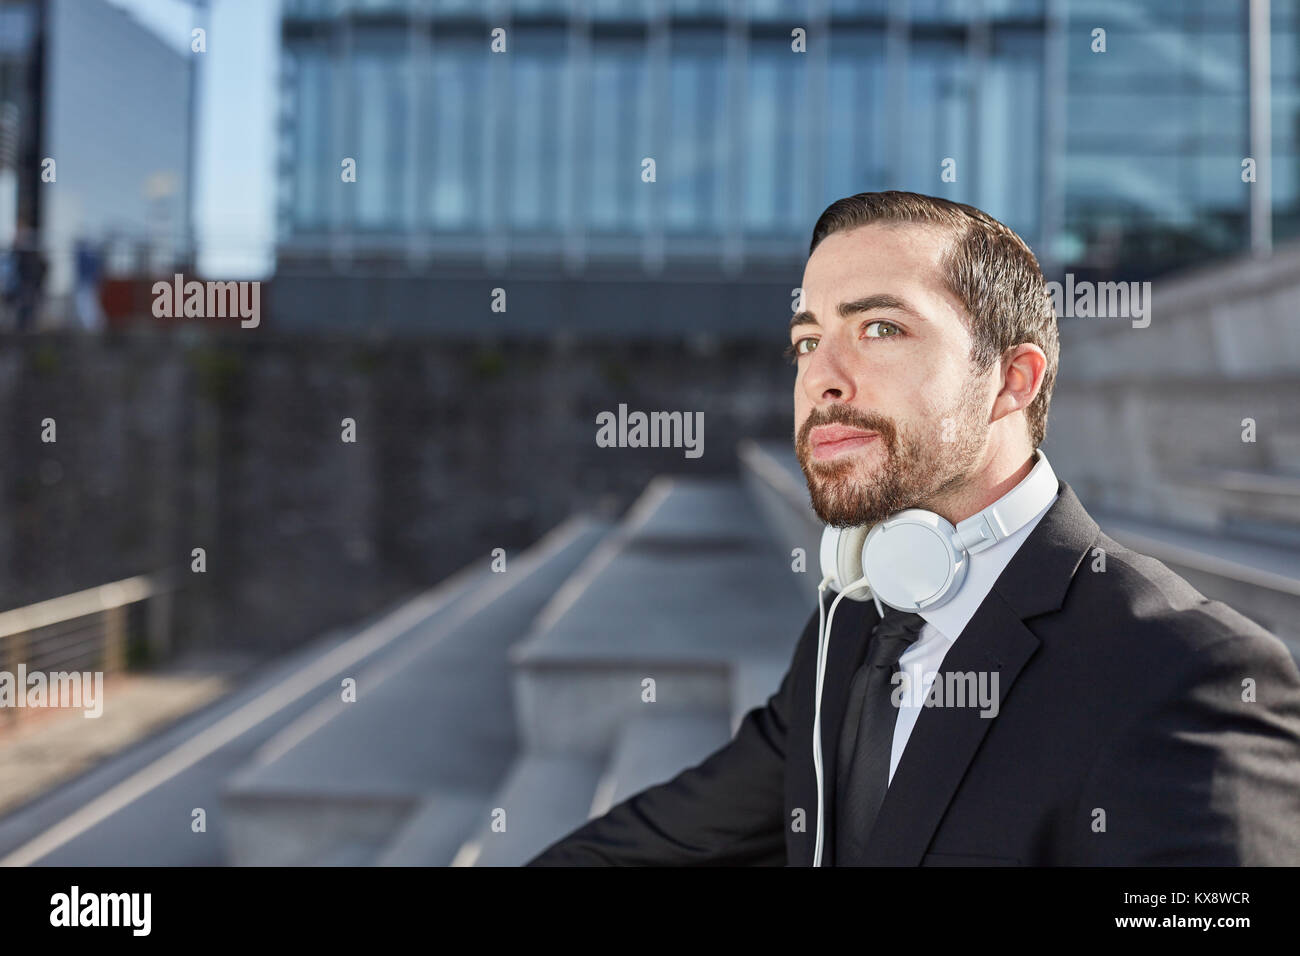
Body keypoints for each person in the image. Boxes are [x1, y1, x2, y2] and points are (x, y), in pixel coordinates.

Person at [525, 190, 1300, 866]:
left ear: (1010, 380)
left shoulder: (1183, 674)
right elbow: (667, 842)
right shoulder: (854, 624)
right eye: (805, 339)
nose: (821, 376)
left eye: (880, 329)